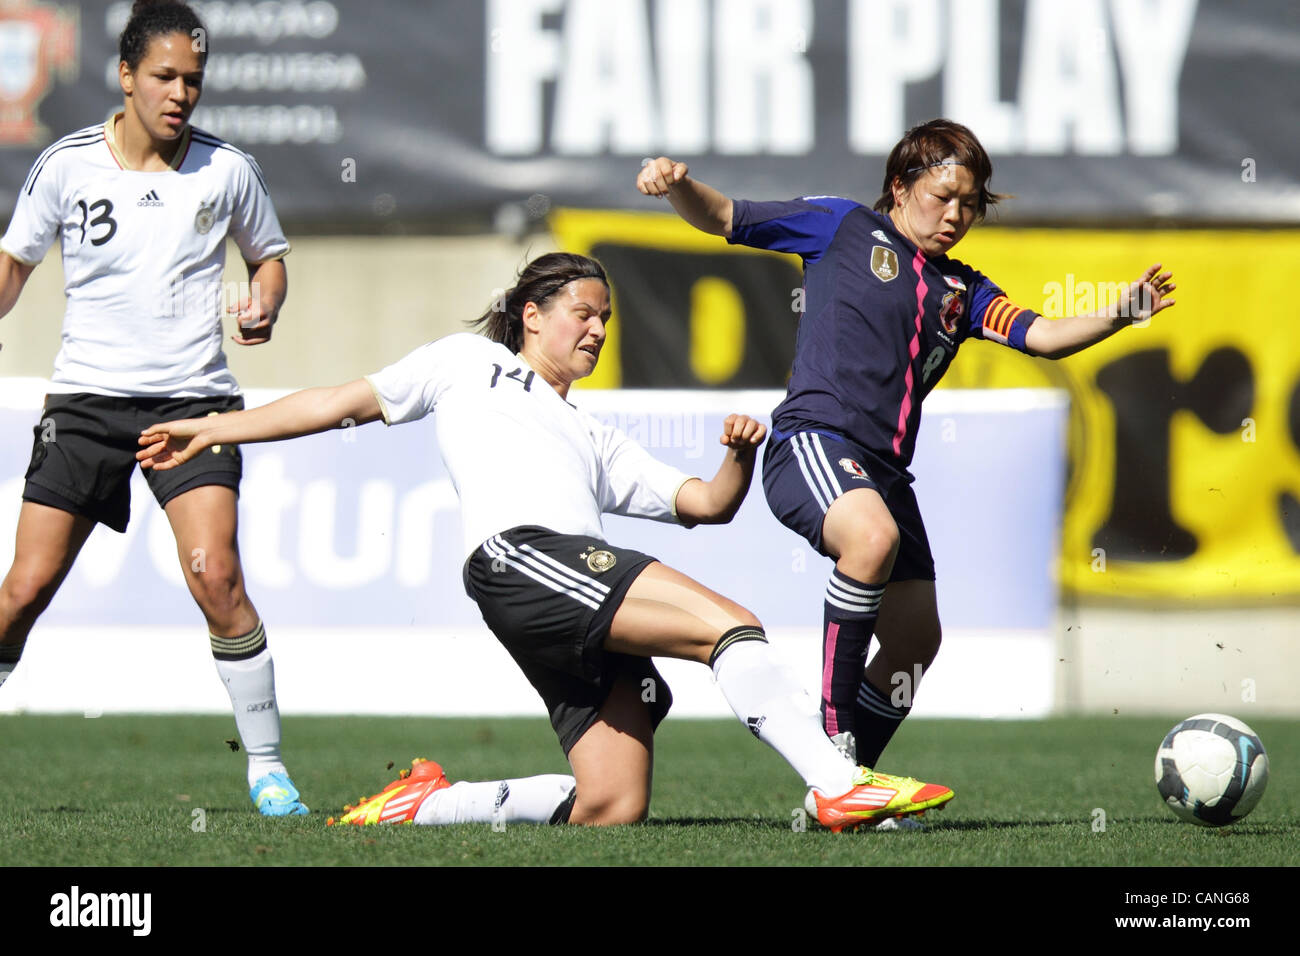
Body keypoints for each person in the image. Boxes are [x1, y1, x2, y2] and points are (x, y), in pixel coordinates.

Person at [136, 252, 955, 830]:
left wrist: (737, 457)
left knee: (613, 804)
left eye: (606, 320)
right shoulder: (467, 363)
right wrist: (215, 428)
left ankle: (428, 804)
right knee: (732, 626)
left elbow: (706, 504)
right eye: (583, 314)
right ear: (531, 316)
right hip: (524, 559)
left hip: (565, 590)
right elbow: (338, 402)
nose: (596, 330)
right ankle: (836, 783)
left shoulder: (593, 434)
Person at [637, 119, 1176, 771]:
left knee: (916, 642)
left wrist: (1121, 312)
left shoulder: (965, 291)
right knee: (871, 540)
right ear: (899, 187)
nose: (955, 215)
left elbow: (1044, 336)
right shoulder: (841, 227)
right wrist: (678, 184)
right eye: (942, 196)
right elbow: (725, 216)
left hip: (884, 474)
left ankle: (849, 782)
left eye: (969, 204)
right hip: (814, 441)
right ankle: (832, 744)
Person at [0, 0, 307, 815]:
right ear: (127, 76)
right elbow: (14, 263)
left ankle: (268, 768)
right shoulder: (66, 165)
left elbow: (269, 259)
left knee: (217, 574)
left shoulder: (228, 169)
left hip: (195, 403)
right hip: (86, 403)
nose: (180, 94)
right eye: (165, 77)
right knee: (24, 590)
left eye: (193, 80)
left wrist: (265, 303)